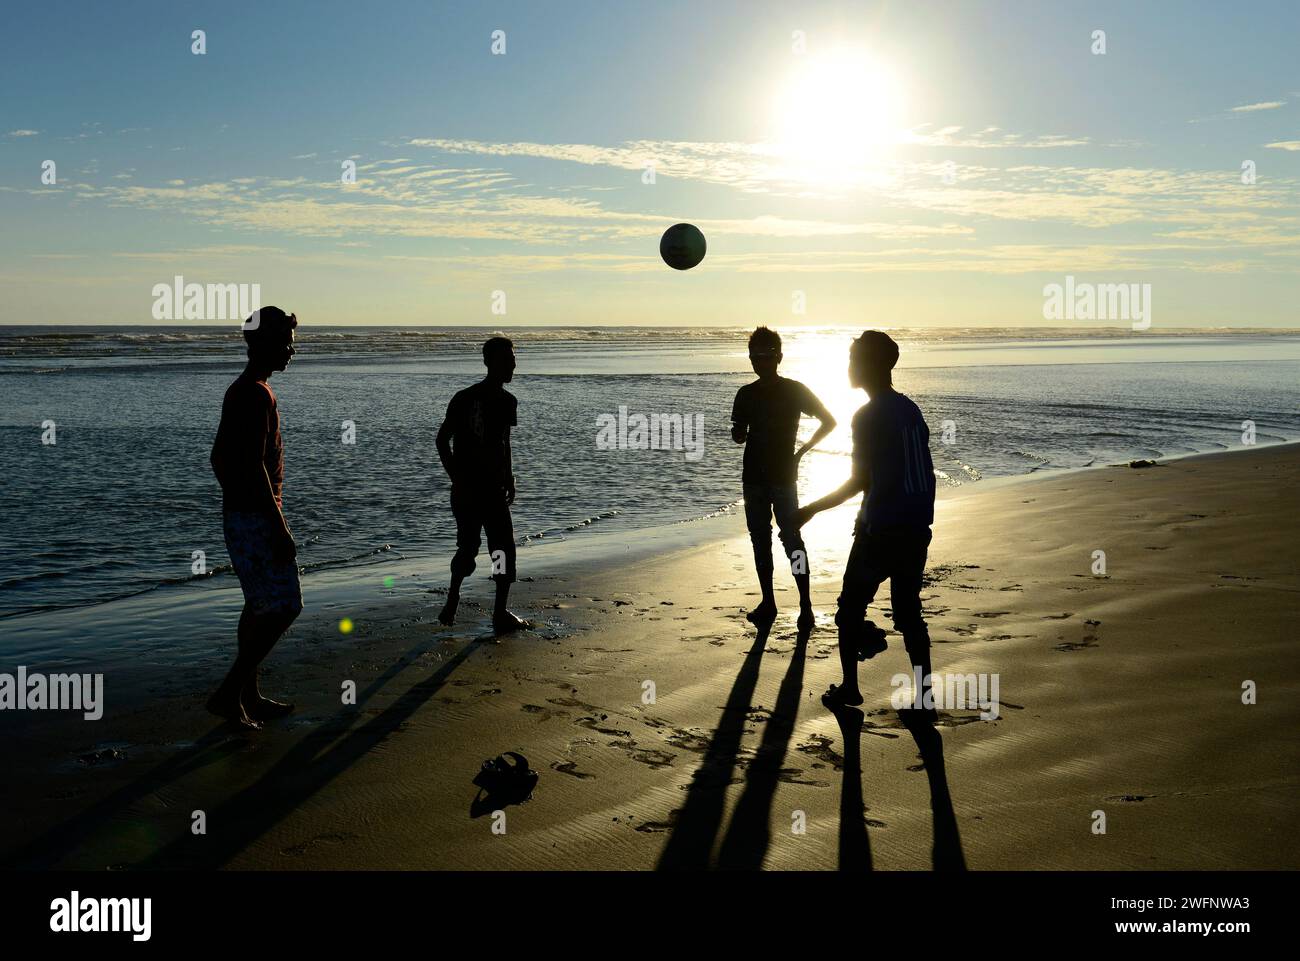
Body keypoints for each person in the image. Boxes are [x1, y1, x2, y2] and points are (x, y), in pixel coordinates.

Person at [796, 330, 937, 716]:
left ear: (871, 365)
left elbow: (859, 482)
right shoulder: (910, 410)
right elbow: (922, 470)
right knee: (909, 614)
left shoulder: (867, 415)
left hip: (881, 530)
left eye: (854, 358)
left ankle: (850, 687)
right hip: (915, 527)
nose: (849, 366)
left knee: (849, 609)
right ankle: (925, 697)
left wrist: (808, 510)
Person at [207, 307, 302, 730]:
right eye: (285, 341)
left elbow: (220, 458)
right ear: (261, 343)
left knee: (259, 606)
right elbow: (251, 463)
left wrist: (238, 500)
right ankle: (230, 694)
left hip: (243, 514)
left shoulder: (248, 389)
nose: (291, 350)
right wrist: (276, 524)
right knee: (285, 607)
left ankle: (248, 695)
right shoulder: (254, 394)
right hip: (257, 518)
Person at [731, 326, 835, 632]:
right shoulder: (746, 394)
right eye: (754, 356)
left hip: (781, 478)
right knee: (761, 541)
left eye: (765, 356)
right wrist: (738, 434)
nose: (759, 361)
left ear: (778, 357)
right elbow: (738, 434)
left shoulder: (794, 390)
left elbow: (830, 421)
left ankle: (805, 604)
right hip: (753, 478)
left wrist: (801, 453)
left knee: (792, 541)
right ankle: (769, 601)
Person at [435, 336, 528, 633]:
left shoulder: (507, 401)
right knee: (470, 550)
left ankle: (499, 611)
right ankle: (453, 598)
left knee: (502, 550)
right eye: (507, 360)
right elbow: (442, 440)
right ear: (489, 362)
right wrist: (456, 476)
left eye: (513, 360)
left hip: (493, 490)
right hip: (469, 491)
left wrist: (509, 476)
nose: (513, 365)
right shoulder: (464, 398)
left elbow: (505, 443)